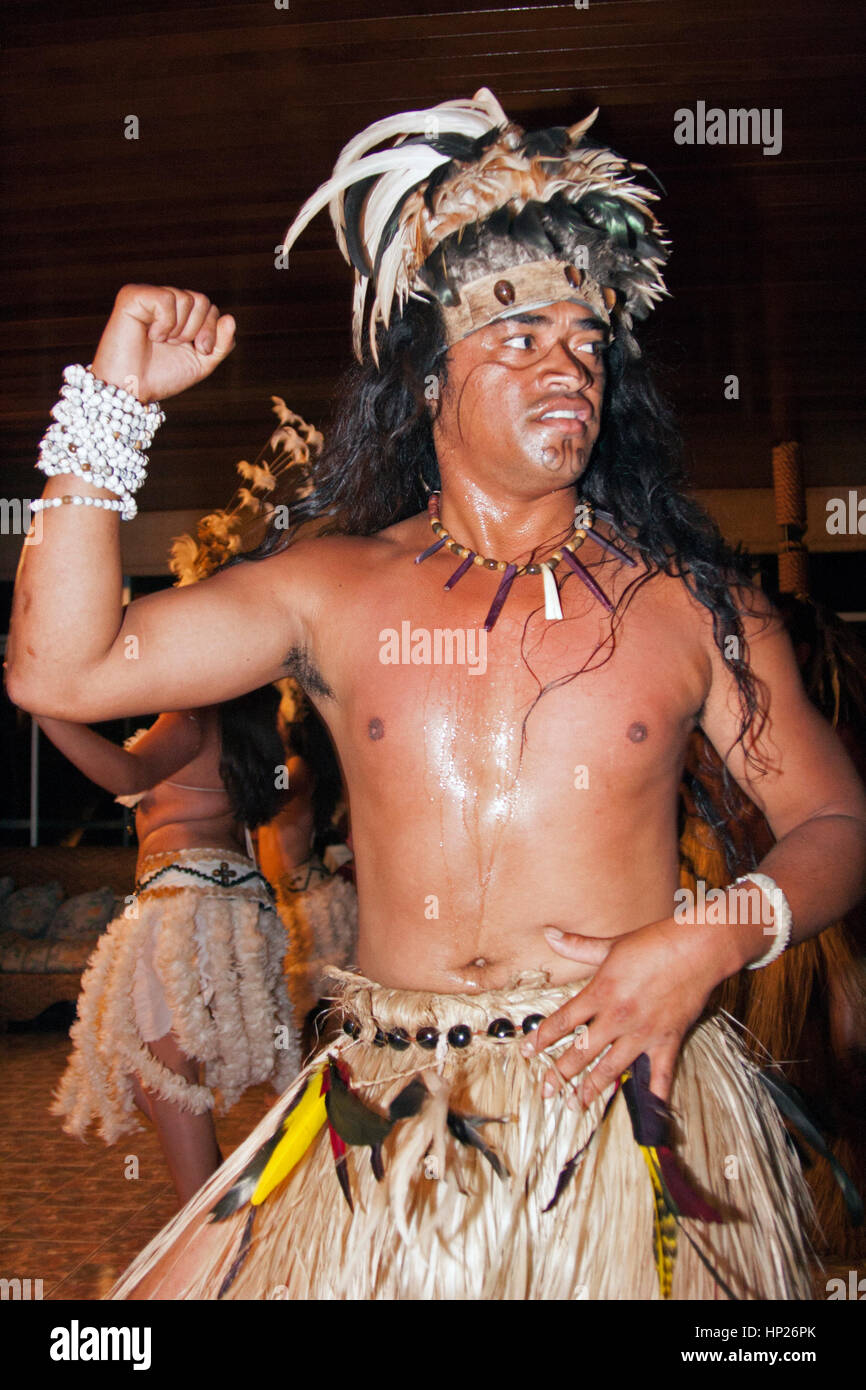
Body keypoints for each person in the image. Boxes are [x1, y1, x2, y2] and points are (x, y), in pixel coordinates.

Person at [7, 89, 866, 1299]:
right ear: (427, 376)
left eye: (585, 337)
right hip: (382, 1121)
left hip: (617, 1112)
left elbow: (838, 825)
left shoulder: (691, 608)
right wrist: (112, 403)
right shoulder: (331, 590)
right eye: (516, 337)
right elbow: (58, 668)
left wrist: (705, 939)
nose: (565, 365)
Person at [38, 692, 299, 1206]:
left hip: (187, 904)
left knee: (167, 1073)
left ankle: (204, 1235)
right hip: (225, 899)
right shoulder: (241, 724)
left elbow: (127, 775)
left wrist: (46, 708)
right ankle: (224, 1201)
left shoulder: (192, 716)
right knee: (144, 1071)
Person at [256, 679, 358, 1055]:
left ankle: (314, 1083)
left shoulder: (296, 769)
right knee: (299, 1007)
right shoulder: (288, 767)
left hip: (310, 901)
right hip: (291, 899)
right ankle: (302, 1084)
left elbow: (268, 796)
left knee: (314, 1007)